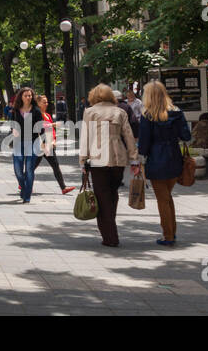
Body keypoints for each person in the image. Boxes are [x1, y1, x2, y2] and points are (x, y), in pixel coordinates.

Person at [78, 84, 140, 247]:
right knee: (112, 192)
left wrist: (83, 161)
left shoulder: (89, 112)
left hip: (98, 159)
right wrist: (134, 159)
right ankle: (110, 225)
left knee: (102, 196)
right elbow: (129, 136)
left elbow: (85, 137)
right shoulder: (119, 111)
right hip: (118, 158)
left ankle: (110, 236)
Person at [137, 80, 191, 246]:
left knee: (163, 199)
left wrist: (140, 158)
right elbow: (186, 136)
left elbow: (144, 143)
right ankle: (171, 232)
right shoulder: (177, 112)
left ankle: (168, 235)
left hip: (156, 160)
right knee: (167, 197)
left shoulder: (148, 115)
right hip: (174, 158)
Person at [35, 93, 75, 195]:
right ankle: (63, 187)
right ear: (38, 103)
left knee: (54, 166)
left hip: (49, 144)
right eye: (44, 102)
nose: (46, 104)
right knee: (36, 166)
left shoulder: (47, 115)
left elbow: (50, 130)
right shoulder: (37, 114)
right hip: (41, 145)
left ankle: (63, 187)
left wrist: (54, 140)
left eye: (47, 102)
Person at [8, 87, 43, 203]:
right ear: (21, 97)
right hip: (18, 143)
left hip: (32, 143)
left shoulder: (36, 111)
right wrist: (13, 130)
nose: (28, 97)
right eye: (26, 96)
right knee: (18, 170)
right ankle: (23, 188)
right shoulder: (16, 110)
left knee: (29, 169)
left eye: (30, 95)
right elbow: (12, 125)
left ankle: (27, 196)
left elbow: (41, 128)